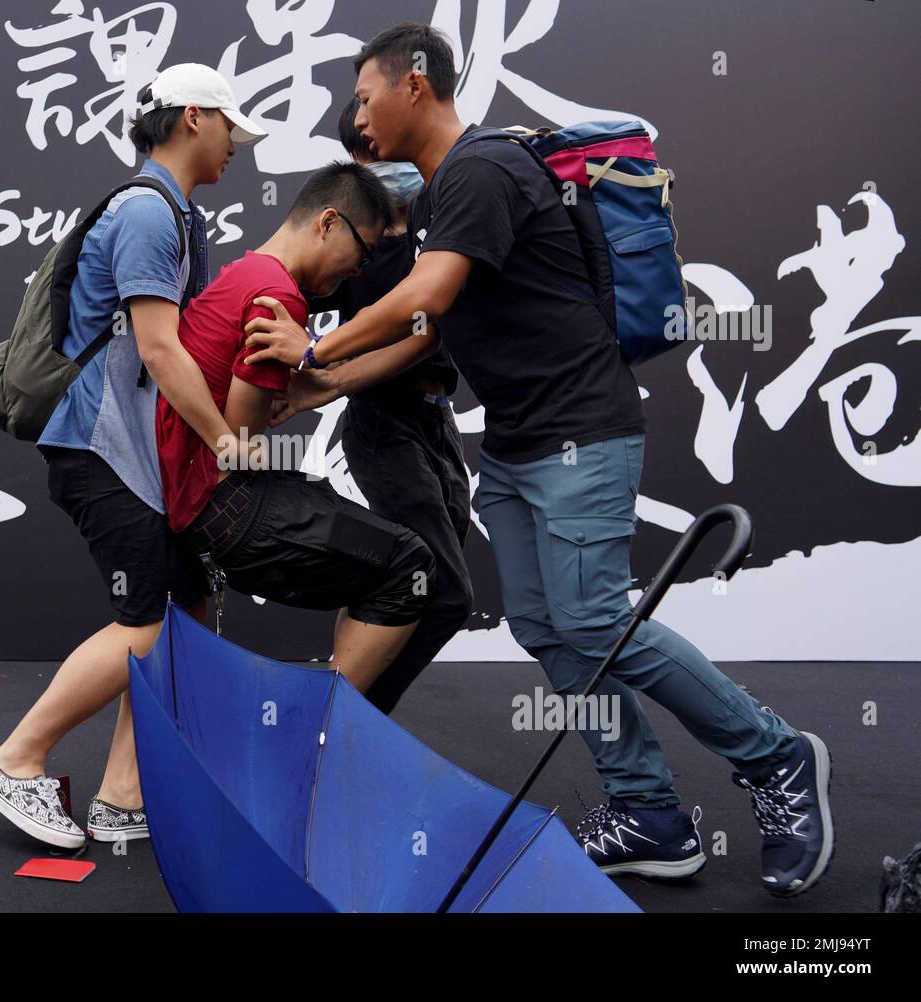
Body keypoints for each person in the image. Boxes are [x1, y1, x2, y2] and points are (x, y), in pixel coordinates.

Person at [242, 22, 833, 896]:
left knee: (592, 620)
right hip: (520, 445)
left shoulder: (480, 168)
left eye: (365, 96)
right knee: (546, 627)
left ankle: (777, 758)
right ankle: (651, 814)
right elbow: (427, 331)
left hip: (581, 430)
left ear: (416, 83)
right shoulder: (445, 194)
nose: (356, 116)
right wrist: (321, 389)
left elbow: (426, 294)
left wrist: (312, 350)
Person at [0, 64, 267, 849]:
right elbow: (162, 351)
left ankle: (122, 795)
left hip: (129, 455)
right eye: (230, 127)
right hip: (99, 451)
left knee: (182, 613)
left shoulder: (169, 210)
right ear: (194, 118)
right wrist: (226, 443)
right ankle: (16, 759)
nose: (237, 144)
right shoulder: (146, 212)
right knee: (143, 625)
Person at [156, 161, 435, 694]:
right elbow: (240, 438)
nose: (360, 272)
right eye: (364, 252)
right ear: (328, 222)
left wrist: (307, 387)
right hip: (226, 505)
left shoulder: (244, 271)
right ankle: (314, 727)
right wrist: (295, 392)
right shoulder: (279, 297)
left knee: (378, 557)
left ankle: (318, 720)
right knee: (408, 565)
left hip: (198, 500)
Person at [271, 96, 473, 715]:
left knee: (396, 582)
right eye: (370, 154)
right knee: (440, 593)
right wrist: (313, 361)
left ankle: (342, 722)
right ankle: (339, 722)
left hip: (437, 423)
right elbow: (284, 285)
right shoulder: (357, 241)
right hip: (385, 425)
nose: (386, 163)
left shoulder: (436, 224)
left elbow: (429, 331)